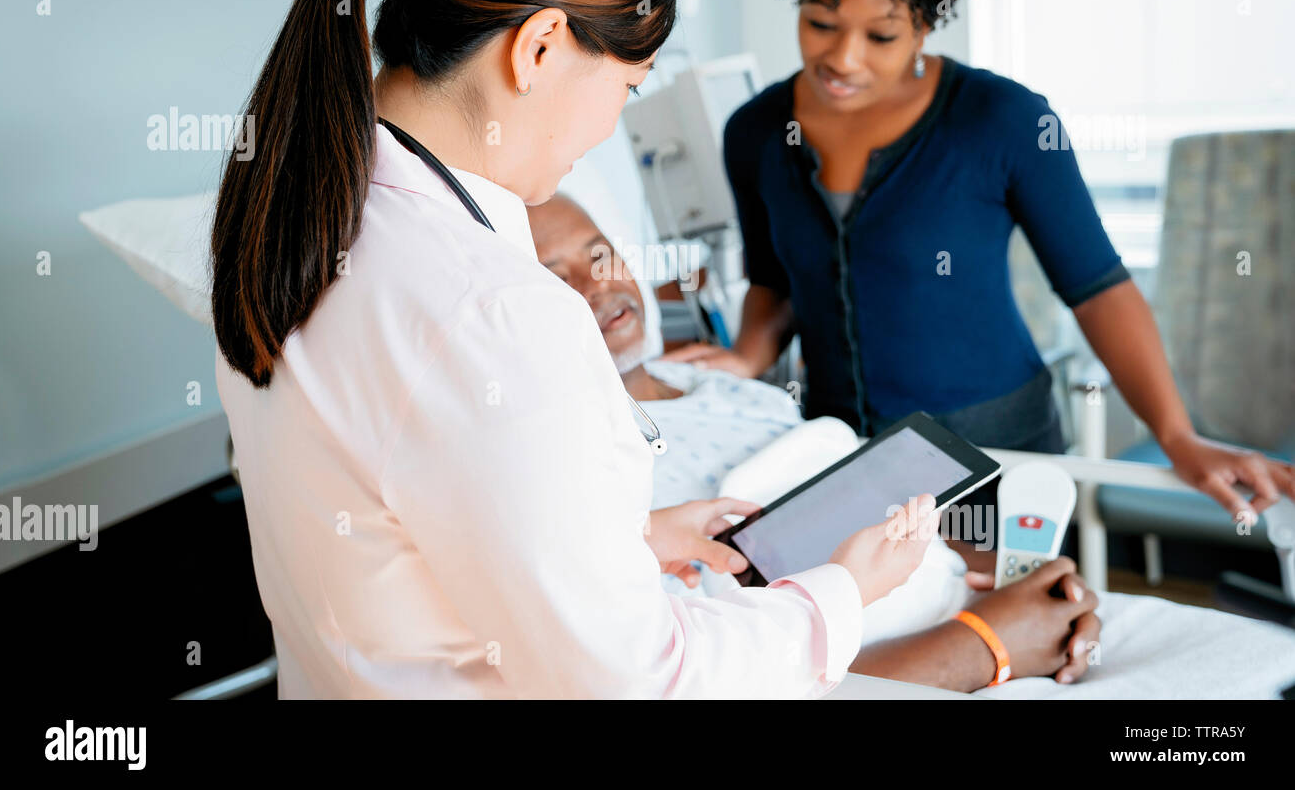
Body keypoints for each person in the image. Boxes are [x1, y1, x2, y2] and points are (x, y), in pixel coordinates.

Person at [210, 0, 933, 699]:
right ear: (542, 45)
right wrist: (842, 591)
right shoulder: (496, 311)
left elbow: (396, 534)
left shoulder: (287, 225)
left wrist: (625, 540)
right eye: (626, 88)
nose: (605, 133)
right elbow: (642, 682)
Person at [664, 0, 1295, 524]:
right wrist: (745, 354)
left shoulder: (1005, 122)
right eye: (821, 23)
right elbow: (775, 282)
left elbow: (1099, 287)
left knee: (1006, 624)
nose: (842, 59)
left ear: (927, 24)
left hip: (999, 458)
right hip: (840, 462)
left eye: (881, 35)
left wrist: (1175, 433)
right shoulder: (755, 132)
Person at [529, 192, 1295, 697]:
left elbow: (869, 505)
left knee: (1272, 665)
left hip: (982, 607)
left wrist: (1017, 585)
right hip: (913, 663)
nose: (598, 285)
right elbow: (731, 674)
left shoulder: (723, 387)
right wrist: (990, 641)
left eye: (599, 254)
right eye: (553, 276)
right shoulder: (582, 460)